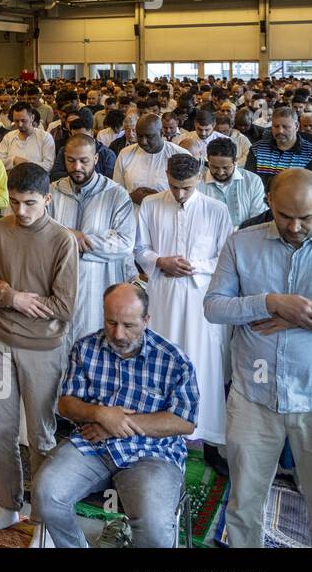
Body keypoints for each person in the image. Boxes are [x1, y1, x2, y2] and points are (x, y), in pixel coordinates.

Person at [32, 283, 199, 548]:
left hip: (152, 454)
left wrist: (116, 424)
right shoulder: (86, 347)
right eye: (111, 322)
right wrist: (100, 413)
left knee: (155, 529)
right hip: (93, 446)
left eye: (129, 325)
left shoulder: (173, 359)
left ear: (146, 320)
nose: (118, 333)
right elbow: (66, 404)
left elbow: (185, 421)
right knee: (46, 494)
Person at [0, 161, 79, 543]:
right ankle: (7, 505)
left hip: (43, 349)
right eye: (14, 202)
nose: (21, 211)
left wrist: (12, 298)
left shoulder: (63, 240)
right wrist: (12, 296)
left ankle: (44, 521)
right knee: (1, 430)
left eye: (30, 203)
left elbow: (64, 307)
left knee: (41, 437)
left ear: (47, 199)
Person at [204, 168, 312, 547]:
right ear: (269, 203)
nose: (296, 226)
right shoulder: (241, 243)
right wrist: (269, 302)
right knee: (245, 504)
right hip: (254, 395)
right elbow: (214, 308)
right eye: (286, 216)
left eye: (306, 218)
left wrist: (299, 319)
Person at [135, 153, 232, 466]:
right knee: (160, 364)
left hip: (200, 300)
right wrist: (160, 261)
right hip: (162, 297)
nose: (179, 194)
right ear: (166, 175)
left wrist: (196, 266)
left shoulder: (216, 210)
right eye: (174, 186)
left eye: (187, 188)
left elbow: (226, 258)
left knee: (200, 365)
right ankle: (157, 431)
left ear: (200, 178)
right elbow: (139, 248)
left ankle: (202, 434)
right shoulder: (150, 205)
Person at [49, 133, 136, 344]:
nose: (77, 167)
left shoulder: (116, 194)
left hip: (100, 285)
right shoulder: (53, 191)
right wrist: (69, 236)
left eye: (84, 161)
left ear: (96, 160)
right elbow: (42, 235)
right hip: (58, 286)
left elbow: (124, 243)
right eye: (71, 160)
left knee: (95, 346)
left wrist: (82, 240)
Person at [114, 114, 188, 204]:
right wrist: (131, 197)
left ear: (161, 132)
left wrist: (160, 198)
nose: (143, 142)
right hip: (133, 214)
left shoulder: (180, 155)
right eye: (140, 136)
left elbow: (189, 196)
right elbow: (116, 191)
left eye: (149, 136)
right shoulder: (125, 154)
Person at [199, 136, 265, 227]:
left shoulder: (253, 181)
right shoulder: (197, 182)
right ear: (208, 161)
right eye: (214, 167)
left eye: (226, 167)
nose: (220, 173)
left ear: (235, 162)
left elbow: (258, 217)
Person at [245, 105, 312, 189]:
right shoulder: (257, 149)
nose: (280, 131)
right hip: (260, 200)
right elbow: (249, 181)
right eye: (276, 126)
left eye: (285, 126)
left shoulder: (309, 153)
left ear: (297, 126)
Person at [0, 102, 55, 171]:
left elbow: (48, 165)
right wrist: (13, 160)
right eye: (16, 121)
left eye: (23, 120)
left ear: (32, 118)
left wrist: (26, 164)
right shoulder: (9, 137)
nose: (20, 124)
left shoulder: (45, 137)